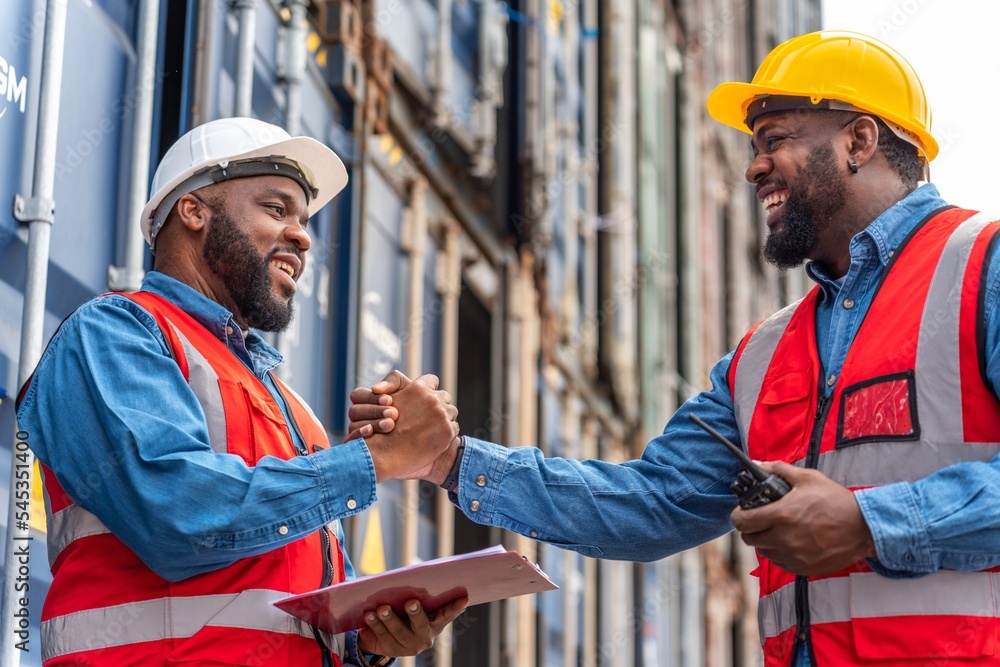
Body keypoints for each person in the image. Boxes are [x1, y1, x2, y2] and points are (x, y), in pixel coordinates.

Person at [349, 31, 1000, 666]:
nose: (752, 167)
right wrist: (454, 461)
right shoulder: (764, 355)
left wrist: (869, 521)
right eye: (753, 146)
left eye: (775, 140)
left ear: (859, 140)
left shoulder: (984, 267)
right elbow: (651, 504)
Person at [16, 117, 467, 667]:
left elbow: (288, 595)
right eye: (277, 210)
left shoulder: (294, 410)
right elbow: (174, 516)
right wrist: (373, 463)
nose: (303, 236)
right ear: (194, 210)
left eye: (305, 220)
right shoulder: (115, 333)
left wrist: (364, 638)